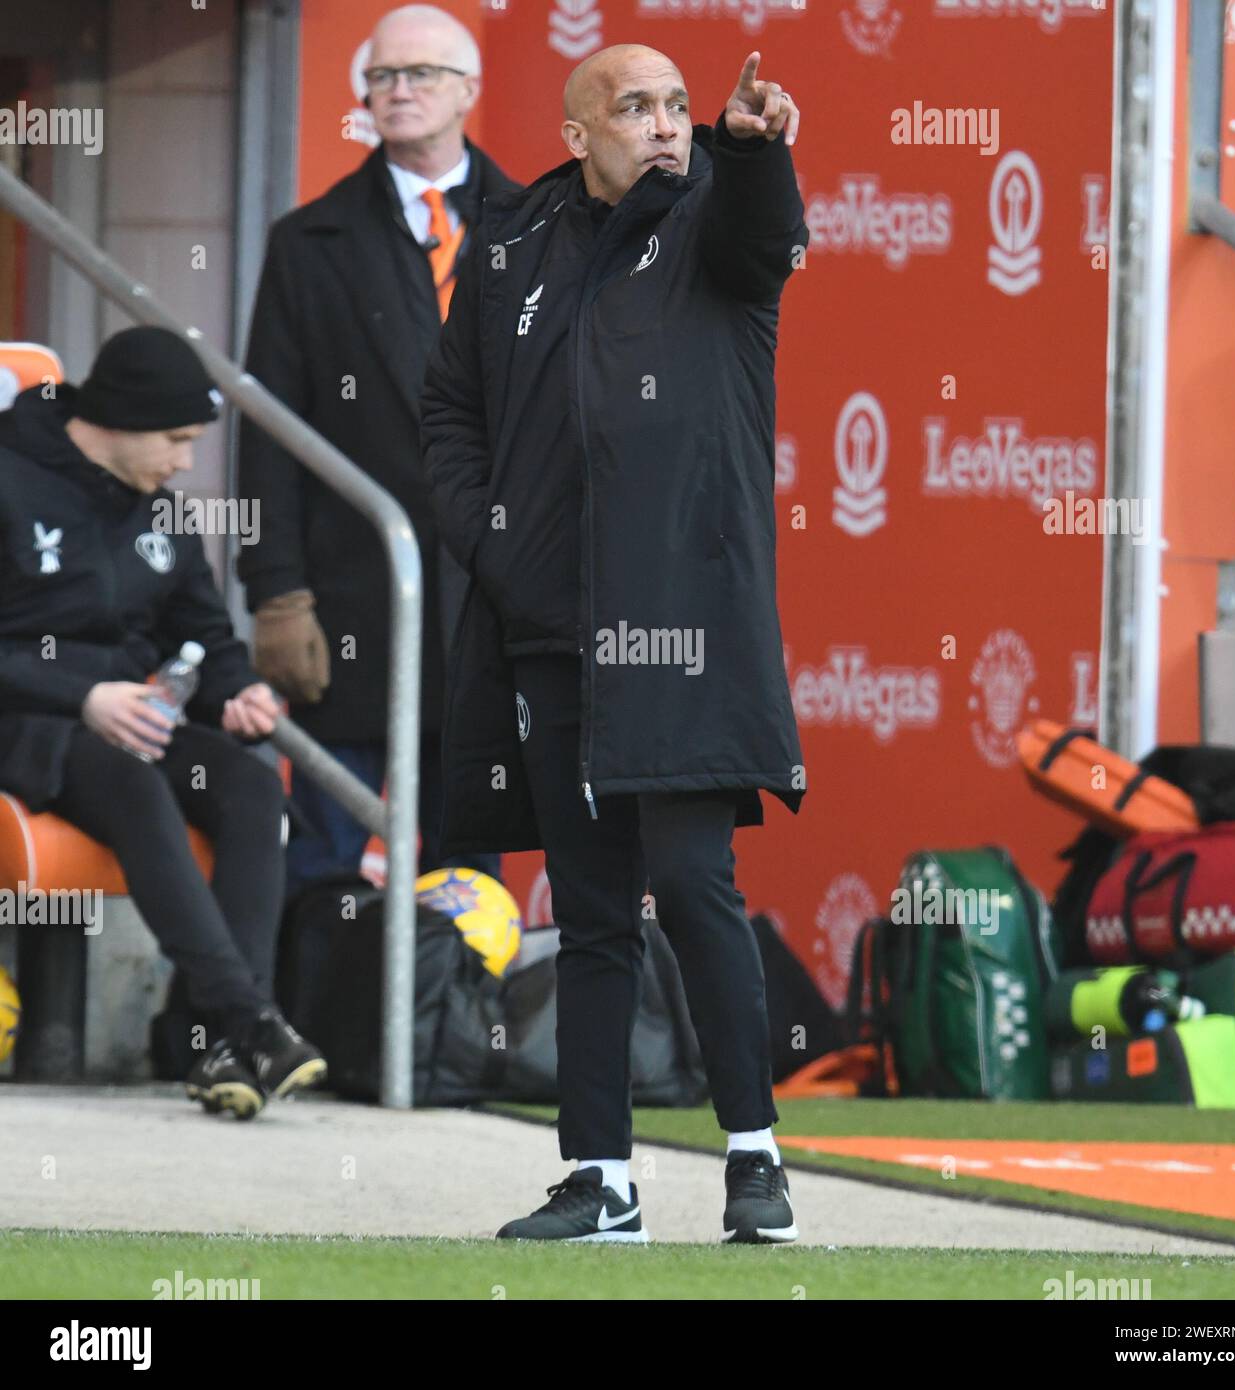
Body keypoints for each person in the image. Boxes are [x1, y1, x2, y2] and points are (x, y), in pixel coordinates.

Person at [422, 45, 808, 1243]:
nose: (663, 126)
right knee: (587, 908)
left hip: (681, 624)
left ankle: (753, 1158)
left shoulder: (711, 222)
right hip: (548, 626)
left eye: (678, 109)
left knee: (694, 885)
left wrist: (754, 148)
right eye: (635, 108)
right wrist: (498, 550)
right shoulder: (506, 244)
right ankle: (601, 1178)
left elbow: (761, 233)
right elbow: (449, 413)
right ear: (576, 128)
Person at [0, 325, 325, 1120]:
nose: (183, 460)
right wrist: (80, 696)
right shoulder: (8, 480)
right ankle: (249, 1021)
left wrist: (238, 688)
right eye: (176, 440)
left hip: (130, 718)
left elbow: (206, 636)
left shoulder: (164, 514)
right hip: (26, 721)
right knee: (135, 785)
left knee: (251, 784)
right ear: (117, 417)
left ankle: (209, 1039)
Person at [237, 3, 516, 893]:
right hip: (351, 609)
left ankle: (460, 1038)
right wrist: (277, 594)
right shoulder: (307, 243)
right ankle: (325, 1031)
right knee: (325, 859)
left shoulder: (539, 230)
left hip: (492, 609)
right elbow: (269, 432)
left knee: (469, 872)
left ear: (468, 90)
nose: (397, 92)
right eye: (382, 77)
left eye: (420, 74)